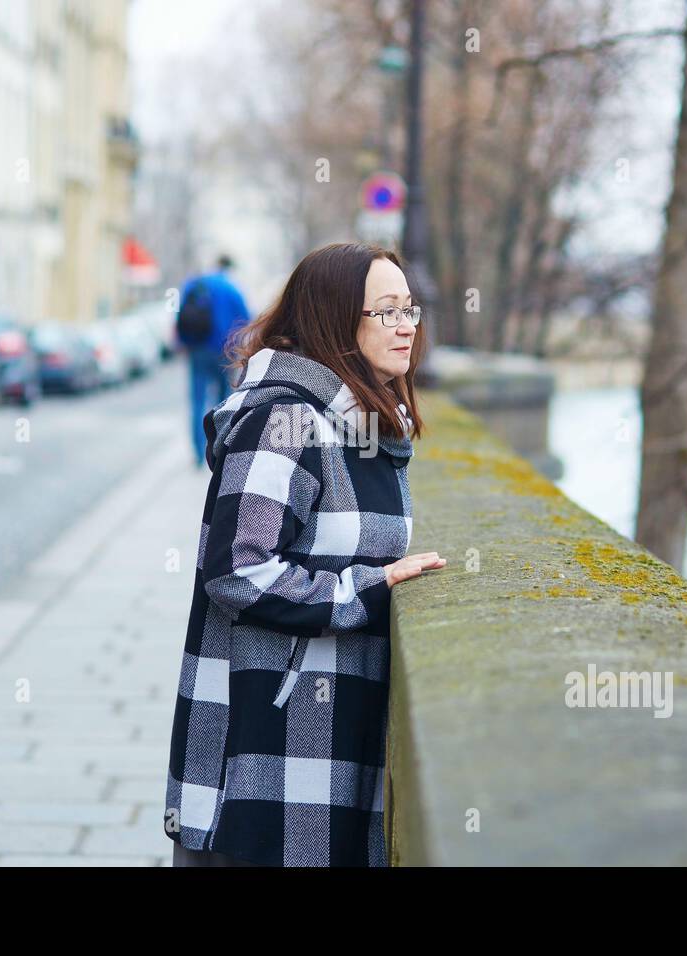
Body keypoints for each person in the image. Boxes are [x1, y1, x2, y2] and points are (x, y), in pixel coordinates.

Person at [163, 241, 446, 867]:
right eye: (386, 312)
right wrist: (366, 591)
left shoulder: (358, 420)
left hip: (322, 738)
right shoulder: (287, 420)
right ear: (334, 320)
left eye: (410, 309)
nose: (406, 327)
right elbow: (236, 571)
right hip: (272, 747)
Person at [176, 254, 252, 467]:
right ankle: (218, 450)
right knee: (223, 403)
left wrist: (183, 342)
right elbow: (246, 320)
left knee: (197, 401)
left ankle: (198, 454)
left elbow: (179, 313)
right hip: (224, 353)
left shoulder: (194, 284)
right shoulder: (231, 288)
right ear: (229, 267)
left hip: (197, 350)